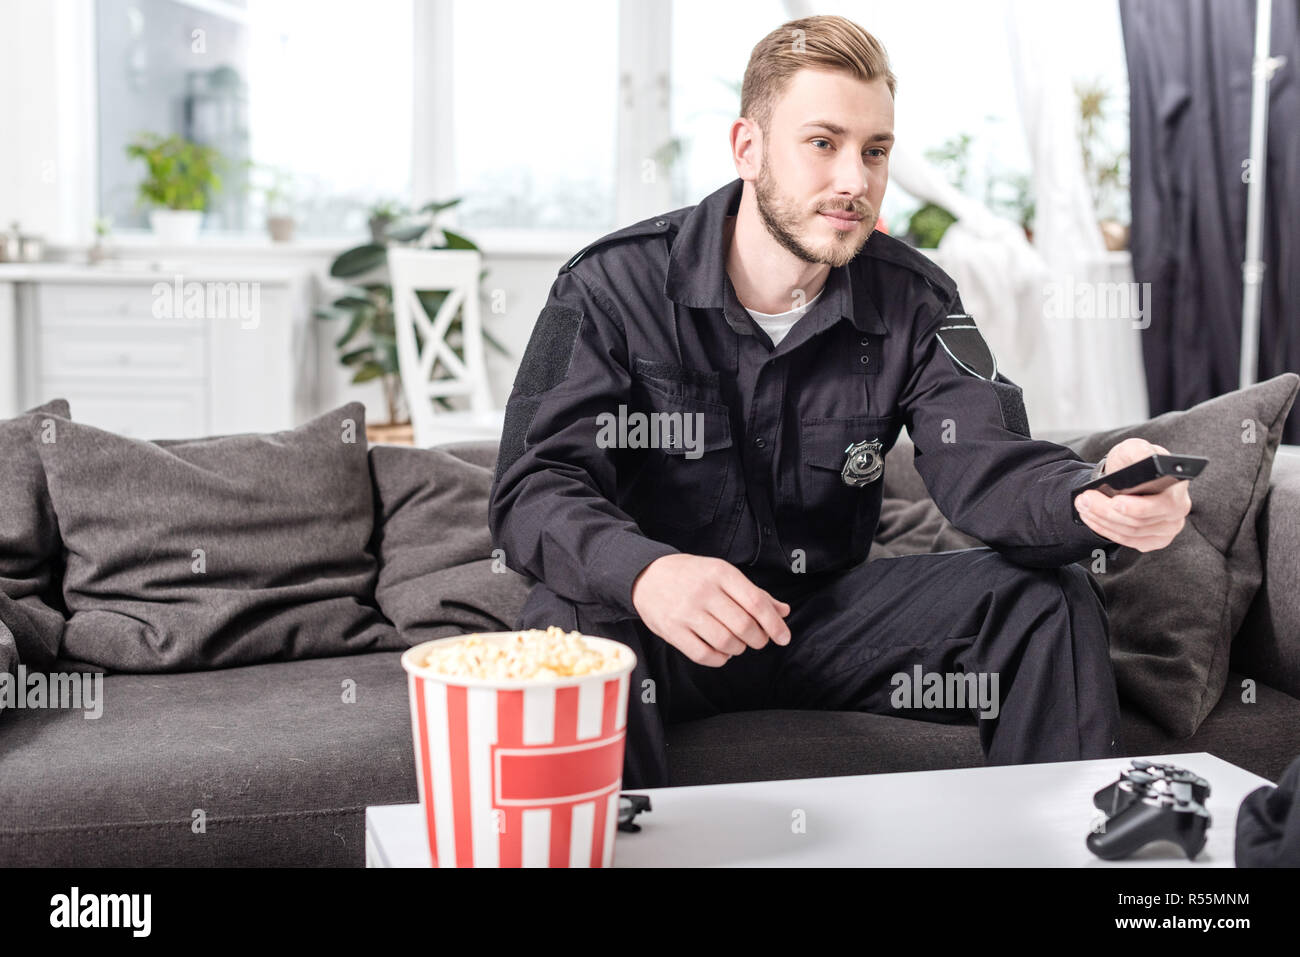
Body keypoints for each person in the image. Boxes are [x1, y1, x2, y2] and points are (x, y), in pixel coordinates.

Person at [488, 14, 1192, 789]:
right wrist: (648, 573)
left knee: (1045, 600)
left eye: (876, 150)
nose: (855, 180)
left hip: (827, 620)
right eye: (823, 143)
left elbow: (988, 462)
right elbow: (532, 486)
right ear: (747, 148)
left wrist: (1094, 493)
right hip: (657, 629)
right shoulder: (607, 287)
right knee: (566, 627)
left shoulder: (917, 300)